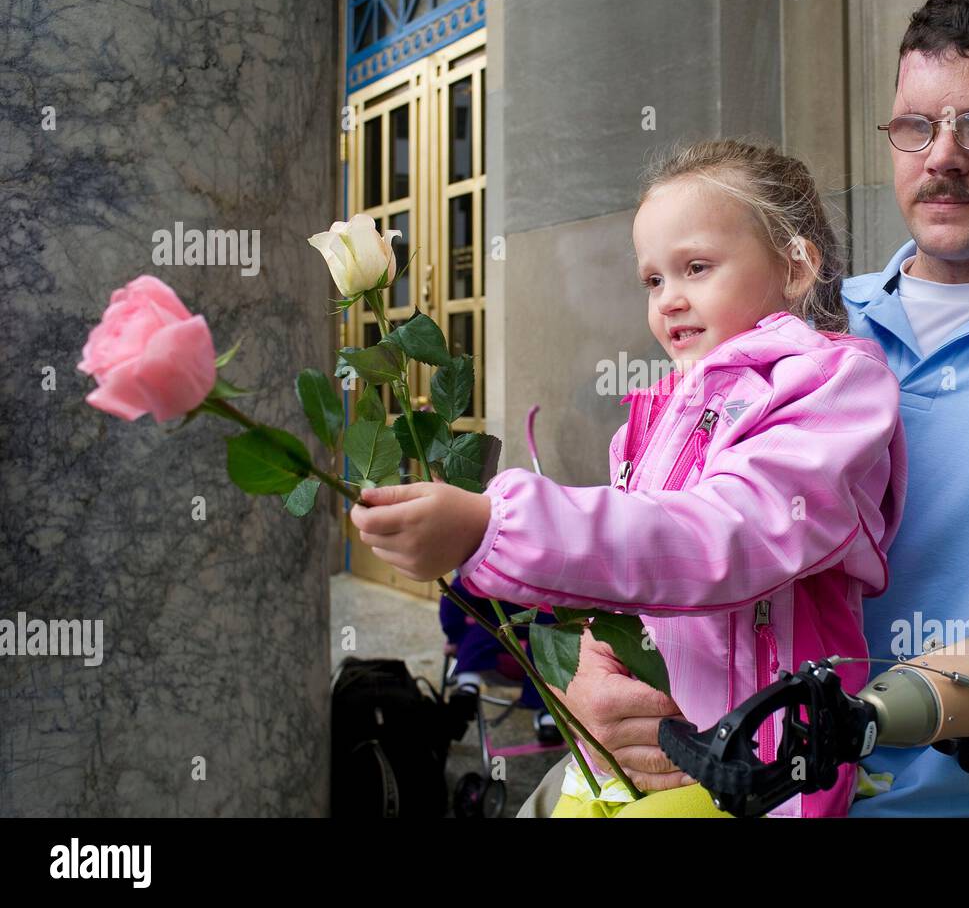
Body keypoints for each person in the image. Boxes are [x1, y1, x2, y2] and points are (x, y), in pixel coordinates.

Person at [506, 0, 969, 819]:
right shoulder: (766, 320)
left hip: (908, 800)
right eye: (916, 127)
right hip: (681, 770)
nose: (943, 157)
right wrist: (595, 676)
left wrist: (865, 716)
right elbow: (663, 522)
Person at [349, 139, 907, 817]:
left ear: (796, 265)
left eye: (696, 267)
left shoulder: (832, 387)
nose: (669, 299)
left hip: (767, 775)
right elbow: (629, 586)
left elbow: (724, 536)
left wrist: (495, 526)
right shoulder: (658, 411)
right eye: (653, 280)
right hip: (656, 758)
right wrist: (589, 668)